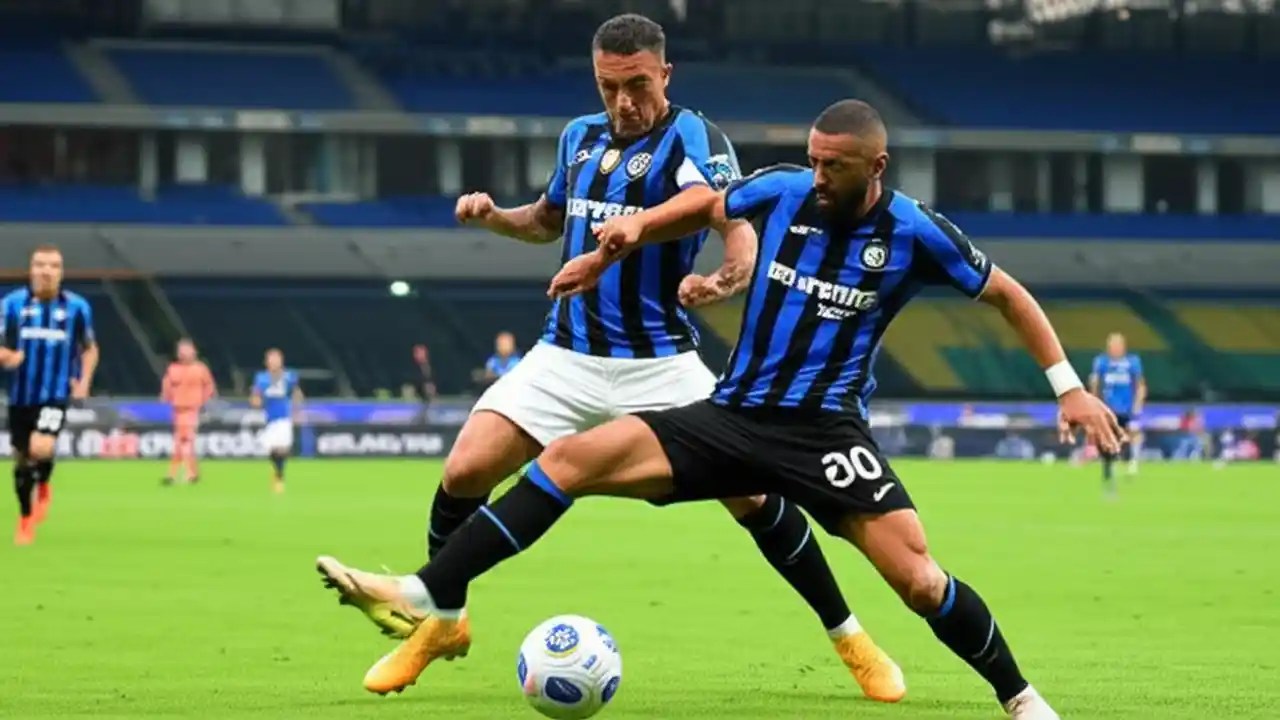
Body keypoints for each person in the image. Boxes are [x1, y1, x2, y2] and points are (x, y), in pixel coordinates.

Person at [318, 100, 1124, 719]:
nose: (817, 175)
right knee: (564, 462)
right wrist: (621, 241)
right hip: (733, 415)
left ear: (875, 165)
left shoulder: (914, 232)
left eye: (834, 166)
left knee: (917, 581)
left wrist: (1070, 388)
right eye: (812, 160)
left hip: (824, 434)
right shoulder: (778, 190)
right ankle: (428, 594)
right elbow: (709, 208)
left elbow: (1007, 294)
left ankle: (1021, 699)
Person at [317, 13, 903, 704]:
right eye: (608, 86)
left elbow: (726, 217)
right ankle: (445, 620)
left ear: (665, 75)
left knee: (754, 497)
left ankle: (849, 635)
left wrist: (726, 278)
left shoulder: (692, 134)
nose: (624, 102)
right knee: (466, 468)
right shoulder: (578, 137)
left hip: (658, 361)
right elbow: (546, 220)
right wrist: (495, 218)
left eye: (638, 85)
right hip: (565, 350)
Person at [1, 244, 97, 545]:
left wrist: (83, 382)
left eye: (53, 266)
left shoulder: (77, 308)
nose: (46, 271)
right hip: (19, 395)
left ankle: (43, 484)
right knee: (21, 458)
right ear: (31, 270)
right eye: (40, 265)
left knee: (41, 447)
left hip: (54, 393)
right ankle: (26, 515)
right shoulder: (12, 305)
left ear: (61, 272)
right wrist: (6, 356)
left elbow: (90, 348)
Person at [1089, 332, 1146, 494]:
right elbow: (1095, 384)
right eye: (1112, 345)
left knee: (1131, 435)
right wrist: (1094, 404)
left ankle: (1131, 464)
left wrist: (1138, 405)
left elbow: (1140, 385)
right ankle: (1108, 475)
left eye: (1117, 345)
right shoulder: (1101, 362)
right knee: (1107, 441)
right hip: (1108, 410)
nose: (1115, 348)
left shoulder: (1132, 362)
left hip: (1127, 409)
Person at [161, 338, 215, 486]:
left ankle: (177, 474)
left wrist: (203, 401)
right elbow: (167, 387)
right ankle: (190, 473)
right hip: (178, 410)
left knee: (185, 441)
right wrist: (167, 397)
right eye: (181, 351)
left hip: (192, 409)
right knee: (183, 442)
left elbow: (209, 386)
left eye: (187, 350)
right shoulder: (173, 369)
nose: (184, 354)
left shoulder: (200, 369)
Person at [250, 348, 302, 494]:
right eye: (271, 359)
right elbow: (256, 394)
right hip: (269, 419)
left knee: (282, 449)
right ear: (266, 362)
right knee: (272, 449)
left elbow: (296, 392)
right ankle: (276, 470)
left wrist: (297, 408)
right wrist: (255, 401)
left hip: (284, 418)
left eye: (277, 359)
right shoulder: (261, 378)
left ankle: (279, 477)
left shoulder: (289, 376)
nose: (274, 362)